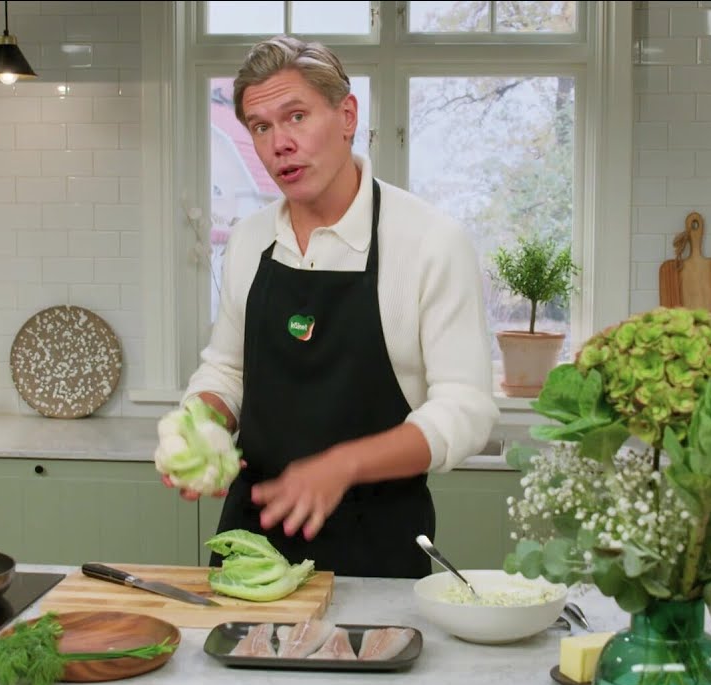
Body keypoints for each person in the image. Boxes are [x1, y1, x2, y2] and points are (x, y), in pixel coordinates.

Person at [163, 35, 499, 579]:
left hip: (378, 544)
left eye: (296, 116)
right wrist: (200, 422)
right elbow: (226, 368)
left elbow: (467, 409)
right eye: (261, 126)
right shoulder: (250, 240)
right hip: (251, 541)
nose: (279, 144)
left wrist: (343, 466)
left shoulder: (429, 242)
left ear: (346, 115)